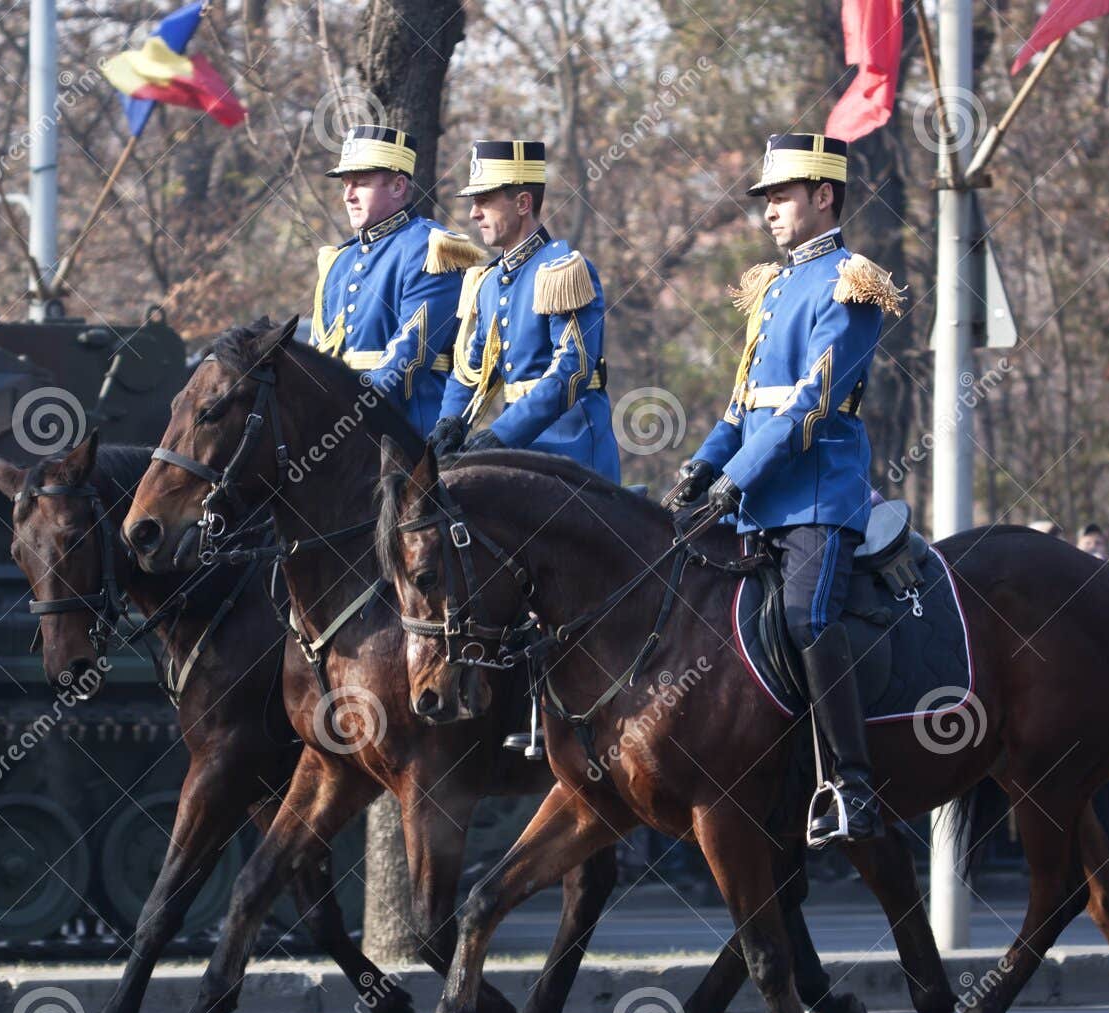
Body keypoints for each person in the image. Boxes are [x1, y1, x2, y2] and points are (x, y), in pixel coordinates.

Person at [664, 133, 903, 847]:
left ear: (823, 195)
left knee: (806, 617)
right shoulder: (771, 286)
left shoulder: (850, 282)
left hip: (816, 496)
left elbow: (811, 404)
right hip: (752, 491)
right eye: (765, 198)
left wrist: (738, 478)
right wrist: (704, 466)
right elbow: (744, 403)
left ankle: (852, 785)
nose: (768, 210)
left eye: (781, 196)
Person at [428, 140, 619, 480]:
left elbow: (571, 372)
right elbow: (472, 368)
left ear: (522, 203)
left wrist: (502, 434)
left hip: (569, 447)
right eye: (474, 202)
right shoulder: (488, 283)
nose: (474, 213)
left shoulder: (562, 270)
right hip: (516, 447)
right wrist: (449, 421)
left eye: (484, 200)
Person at [310, 125, 486, 436]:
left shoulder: (431, 250)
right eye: (345, 185)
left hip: (409, 437)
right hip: (339, 431)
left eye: (360, 183)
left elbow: (408, 359)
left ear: (397, 186)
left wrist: (340, 413)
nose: (348, 195)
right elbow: (318, 357)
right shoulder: (338, 262)